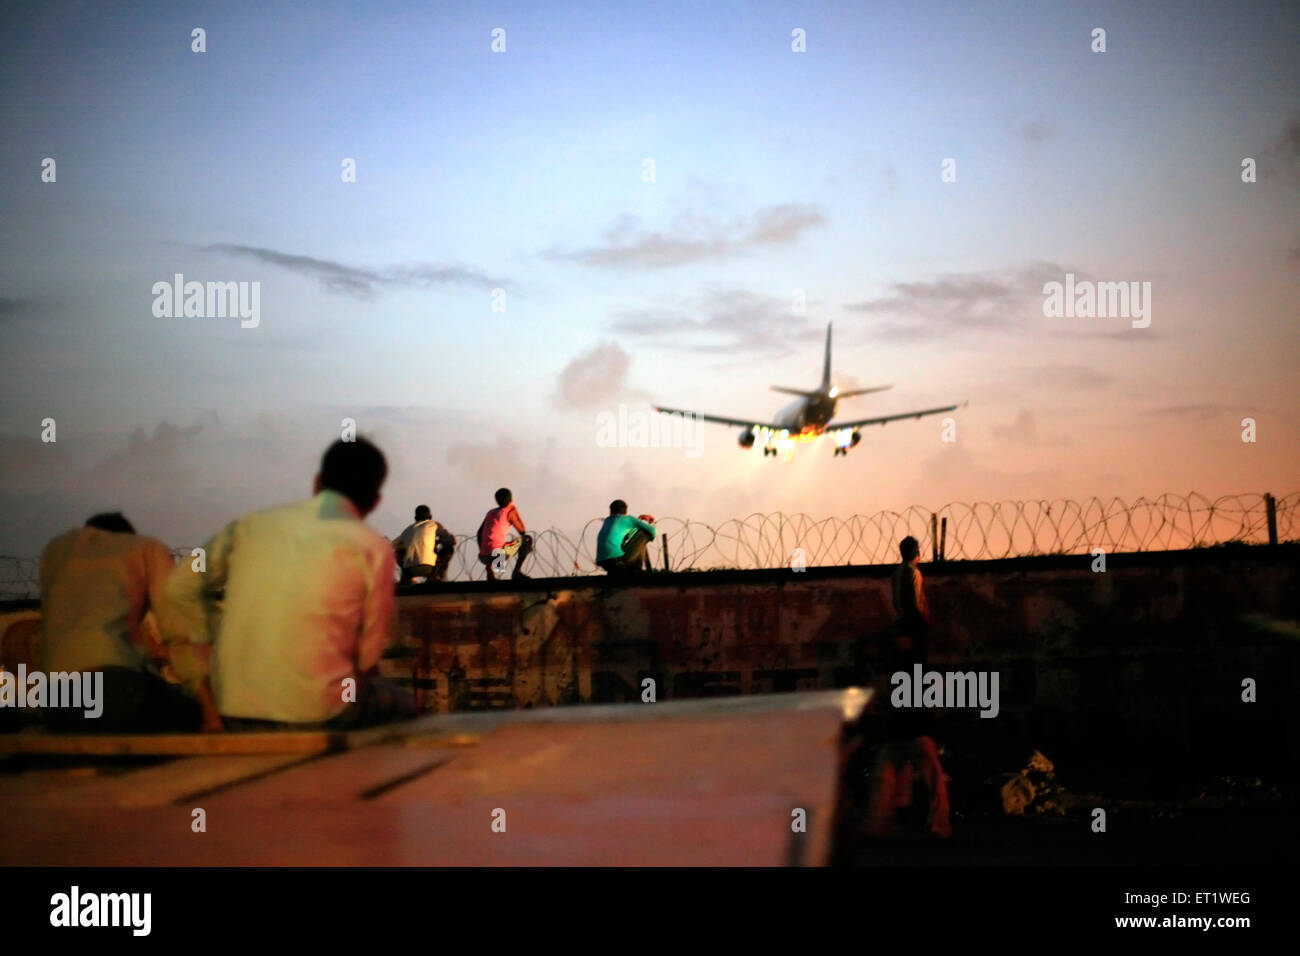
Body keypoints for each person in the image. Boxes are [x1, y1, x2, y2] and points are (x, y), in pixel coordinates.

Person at [166, 438, 414, 729]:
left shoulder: (250, 526)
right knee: (402, 703)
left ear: (317, 482)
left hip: (234, 706)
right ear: (375, 501)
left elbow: (178, 588)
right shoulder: (372, 547)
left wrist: (214, 633)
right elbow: (368, 658)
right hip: (322, 711)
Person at [37, 513, 216, 733]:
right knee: (187, 708)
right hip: (117, 694)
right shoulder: (145, 548)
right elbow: (180, 633)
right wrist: (210, 715)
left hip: (56, 704)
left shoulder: (56, 552)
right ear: (126, 537)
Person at [868, 534, 950, 839]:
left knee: (892, 762)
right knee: (919, 761)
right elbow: (915, 605)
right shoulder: (913, 576)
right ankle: (935, 823)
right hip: (912, 717)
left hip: (905, 716)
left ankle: (884, 820)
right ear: (917, 553)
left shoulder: (896, 578)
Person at [476, 488, 533, 580]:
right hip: (500, 555)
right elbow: (522, 531)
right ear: (511, 499)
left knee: (498, 547)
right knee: (526, 539)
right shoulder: (509, 512)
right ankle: (516, 573)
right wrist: (515, 510)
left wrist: (485, 556)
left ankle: (490, 570)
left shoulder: (490, 513)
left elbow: (479, 534)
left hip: (484, 557)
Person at [595, 500, 656, 577]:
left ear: (610, 511)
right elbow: (652, 531)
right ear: (626, 511)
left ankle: (627, 570)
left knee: (628, 537)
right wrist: (651, 523)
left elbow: (629, 534)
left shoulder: (607, 520)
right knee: (644, 533)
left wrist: (638, 520)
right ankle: (637, 569)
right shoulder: (628, 519)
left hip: (603, 562)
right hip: (617, 560)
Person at [393, 505, 441, 585]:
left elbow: (393, 546)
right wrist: (436, 542)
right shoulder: (434, 526)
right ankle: (435, 577)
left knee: (398, 551)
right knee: (448, 548)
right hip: (429, 568)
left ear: (415, 518)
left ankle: (407, 580)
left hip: (409, 569)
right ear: (430, 517)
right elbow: (452, 541)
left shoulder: (407, 531)